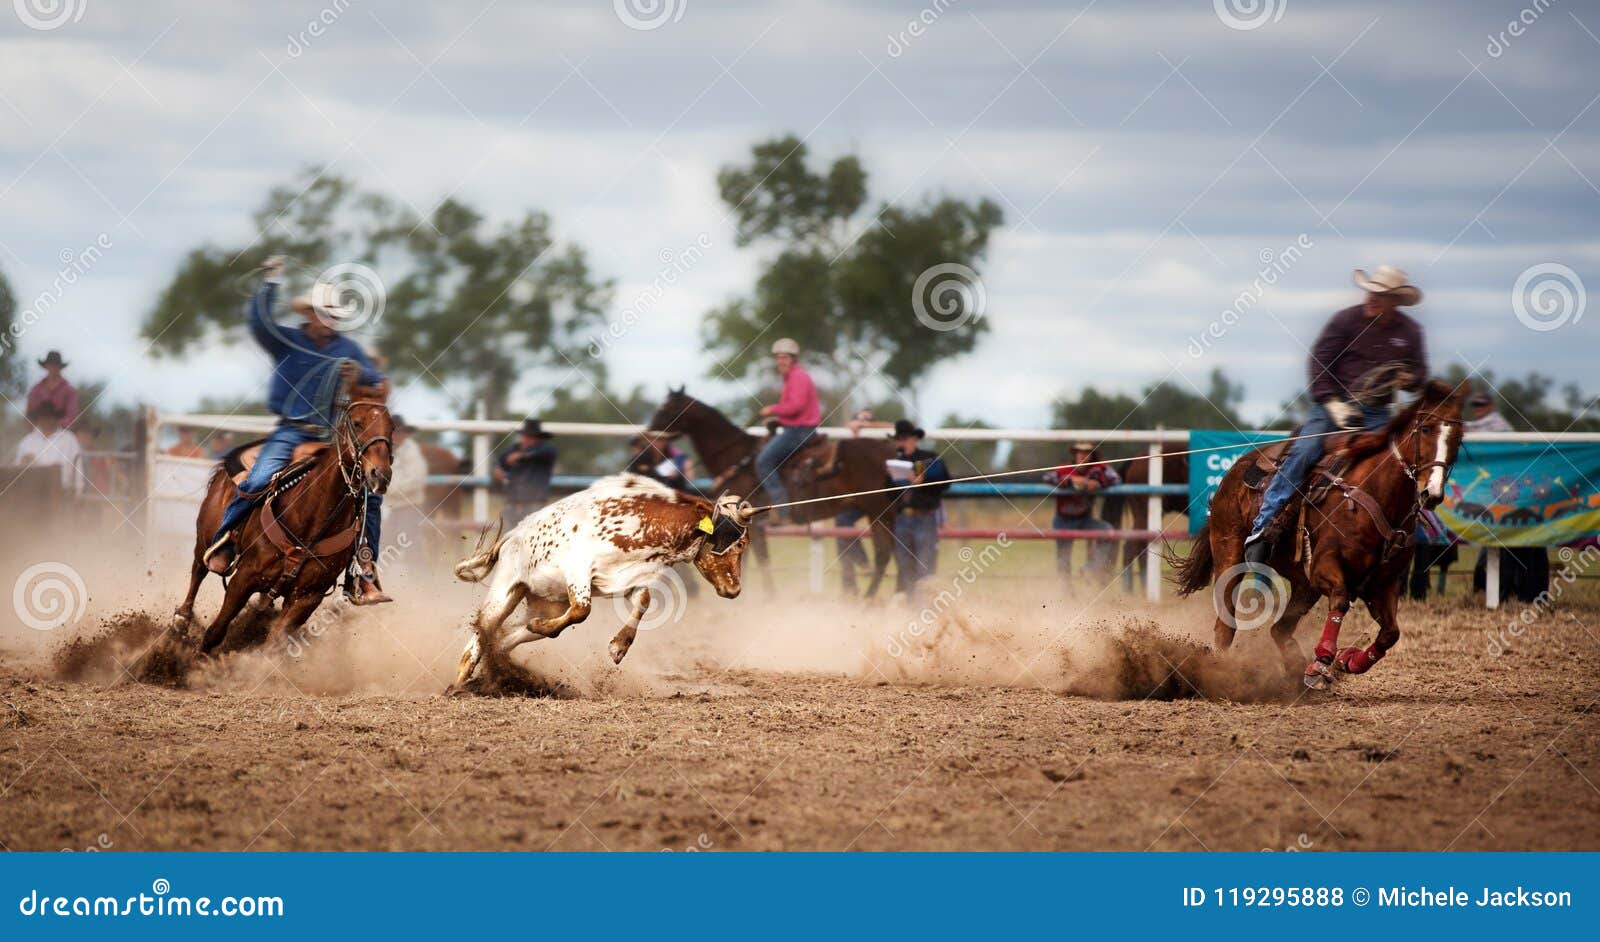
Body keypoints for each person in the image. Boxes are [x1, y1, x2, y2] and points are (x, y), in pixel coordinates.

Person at [202, 256, 391, 605]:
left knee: (369, 496)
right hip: (290, 431)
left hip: (328, 439)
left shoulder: (345, 349)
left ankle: (364, 571)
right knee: (258, 480)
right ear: (310, 315)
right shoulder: (287, 341)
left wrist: (360, 377)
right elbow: (260, 324)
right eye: (324, 314)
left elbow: (375, 379)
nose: (330, 322)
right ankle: (226, 540)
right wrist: (271, 281)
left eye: (335, 316)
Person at [1244, 265, 1429, 567]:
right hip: (1333, 407)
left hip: (1377, 413)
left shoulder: (1410, 332)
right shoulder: (1346, 321)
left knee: (1399, 463)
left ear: (1395, 301)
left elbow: (1420, 375)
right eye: (1371, 292)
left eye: (1381, 295)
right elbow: (1320, 362)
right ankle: (1264, 524)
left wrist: (1410, 379)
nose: (1372, 298)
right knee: (1304, 451)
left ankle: (1399, 533)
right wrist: (1331, 402)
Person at [755, 337, 820, 517]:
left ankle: (781, 510)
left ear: (793, 359)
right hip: (797, 429)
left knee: (763, 461)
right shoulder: (791, 377)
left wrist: (771, 410)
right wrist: (778, 419)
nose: (780, 361)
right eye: (778, 357)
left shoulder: (798, 377)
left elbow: (796, 406)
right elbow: (795, 409)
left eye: (784, 357)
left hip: (799, 431)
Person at [887, 419, 951, 598]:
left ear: (914, 439)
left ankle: (925, 606)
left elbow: (945, 483)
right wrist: (898, 486)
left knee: (926, 565)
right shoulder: (894, 463)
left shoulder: (930, 459)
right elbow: (888, 494)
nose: (901, 442)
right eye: (898, 439)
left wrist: (925, 481)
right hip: (902, 519)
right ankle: (911, 606)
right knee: (905, 566)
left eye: (904, 438)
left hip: (924, 518)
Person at [1046, 440, 1121, 583]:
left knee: (1107, 532)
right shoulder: (1065, 468)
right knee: (1063, 556)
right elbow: (1049, 478)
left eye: (1087, 452)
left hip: (1084, 519)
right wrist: (1071, 480)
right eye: (1079, 452)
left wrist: (1099, 482)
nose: (1082, 455)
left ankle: (1090, 569)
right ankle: (1065, 590)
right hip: (1063, 519)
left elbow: (1116, 479)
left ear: (1092, 456)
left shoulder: (1099, 469)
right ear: (1074, 454)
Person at [383, 416, 430, 557]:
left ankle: (416, 575)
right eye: (394, 432)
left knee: (410, 544)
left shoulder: (411, 451)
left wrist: (386, 488)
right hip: (389, 506)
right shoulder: (384, 450)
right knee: (385, 544)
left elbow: (415, 480)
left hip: (408, 506)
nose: (397, 436)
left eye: (400, 433)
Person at [495, 418, 557, 525]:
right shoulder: (514, 450)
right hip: (513, 502)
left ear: (539, 439)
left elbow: (547, 452)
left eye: (531, 437)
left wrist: (521, 456)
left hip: (535, 503)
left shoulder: (545, 451)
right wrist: (499, 469)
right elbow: (502, 461)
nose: (527, 439)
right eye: (526, 436)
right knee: (507, 535)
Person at [15, 401, 82, 491]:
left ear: (56, 418)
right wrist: (23, 463)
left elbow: (78, 468)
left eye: (49, 416)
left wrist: (78, 492)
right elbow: (16, 470)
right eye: (42, 417)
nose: (46, 420)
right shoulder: (26, 441)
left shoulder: (69, 439)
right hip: (32, 492)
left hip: (62, 491)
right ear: (37, 419)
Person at [26, 351, 80, 429]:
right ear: (46, 366)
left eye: (56, 365)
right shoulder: (36, 389)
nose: (53, 368)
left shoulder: (69, 390)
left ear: (60, 367)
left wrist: (54, 426)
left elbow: (72, 416)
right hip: (38, 431)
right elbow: (29, 413)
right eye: (51, 365)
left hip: (62, 433)